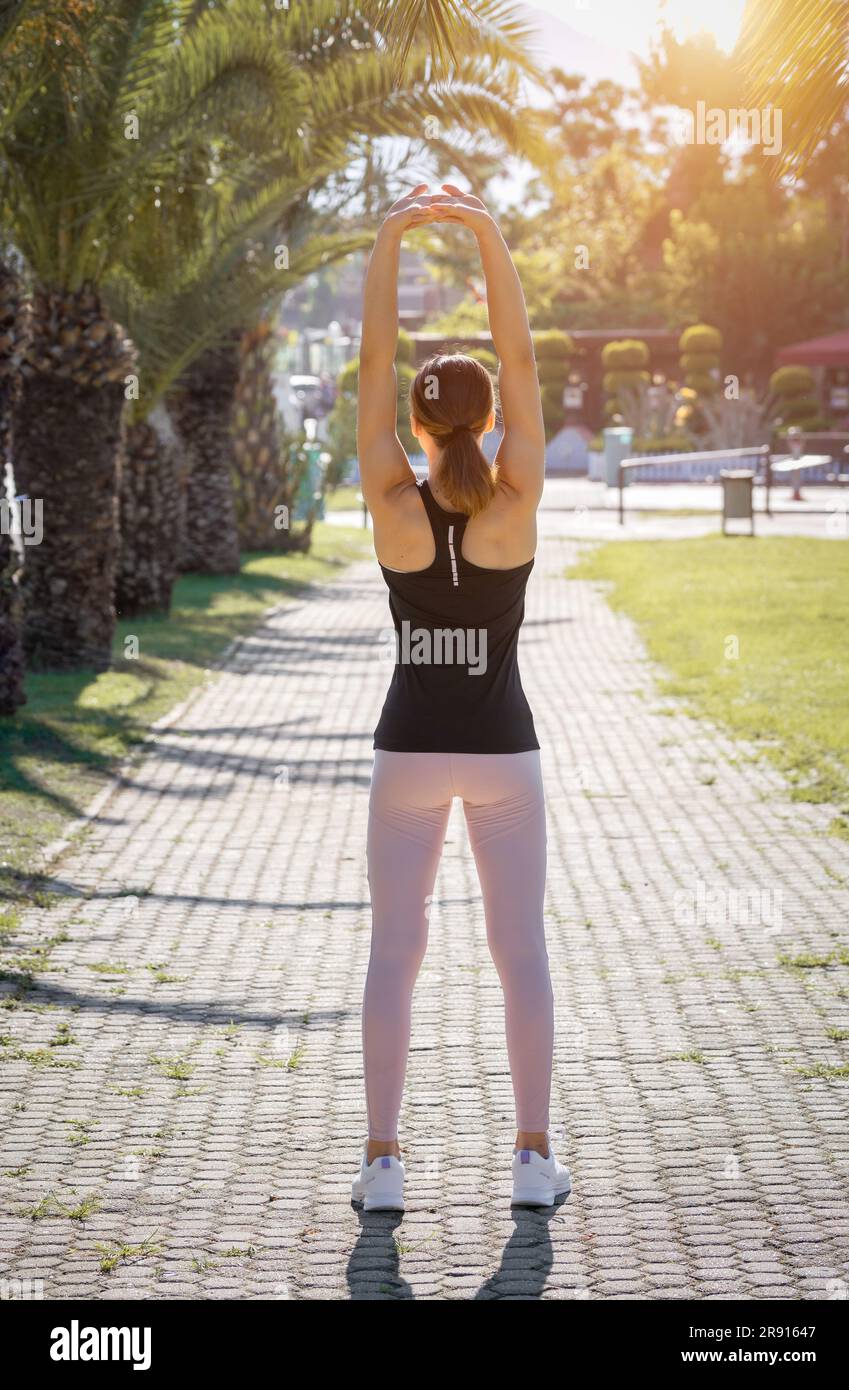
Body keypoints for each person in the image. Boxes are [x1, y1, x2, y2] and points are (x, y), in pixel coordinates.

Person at [352, 184, 570, 1213]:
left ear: (414, 423)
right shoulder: (517, 495)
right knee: (516, 945)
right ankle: (530, 1158)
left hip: (407, 751)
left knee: (395, 949)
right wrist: (487, 234)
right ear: (486, 421)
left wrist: (391, 241)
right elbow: (521, 363)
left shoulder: (393, 501)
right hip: (502, 752)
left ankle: (383, 1168)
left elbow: (372, 368)